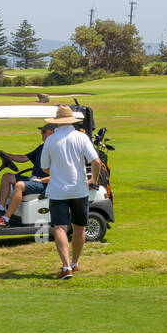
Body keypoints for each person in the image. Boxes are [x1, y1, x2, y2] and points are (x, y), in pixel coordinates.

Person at [39, 105, 102, 281]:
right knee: (79, 227)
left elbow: (45, 167)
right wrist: (94, 181)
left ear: (56, 122)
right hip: (79, 189)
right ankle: (75, 262)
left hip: (58, 191)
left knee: (60, 227)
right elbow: (96, 162)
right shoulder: (81, 137)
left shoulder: (50, 140)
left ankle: (66, 267)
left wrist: (57, 171)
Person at [0, 123, 54, 228]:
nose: (41, 134)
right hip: (34, 180)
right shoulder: (41, 147)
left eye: (44, 131)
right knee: (7, 176)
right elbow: (23, 158)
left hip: (45, 184)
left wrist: (41, 180)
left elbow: (57, 175)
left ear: (52, 133)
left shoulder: (55, 150)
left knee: (19, 185)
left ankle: (5, 219)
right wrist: (7, 155)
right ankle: (1, 208)